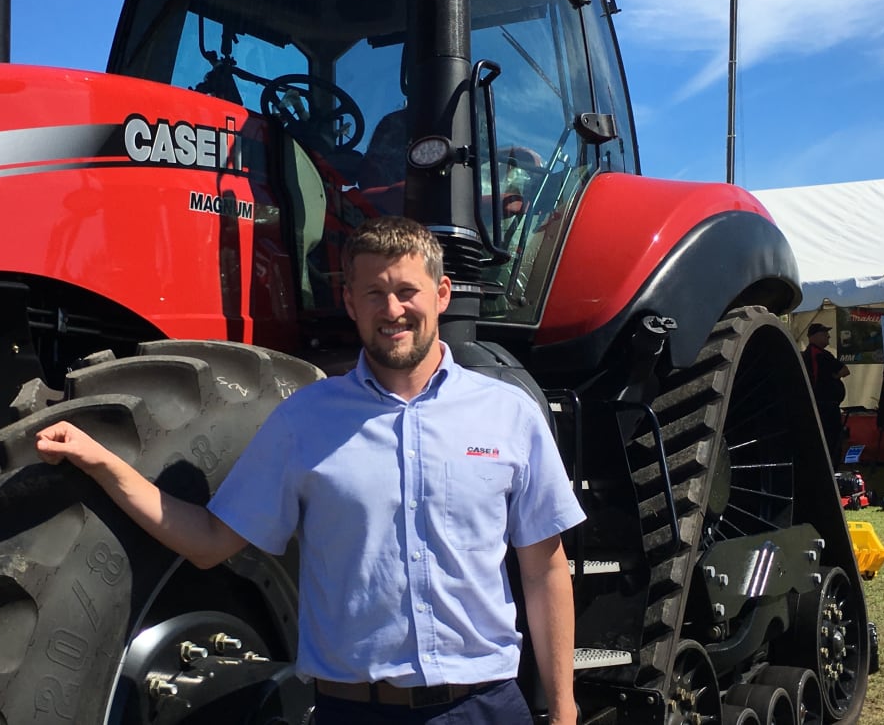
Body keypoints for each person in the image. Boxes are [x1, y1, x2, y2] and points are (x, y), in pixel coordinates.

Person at [36, 215, 585, 725]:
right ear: (350, 302)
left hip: (483, 707)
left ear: (441, 295)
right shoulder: (304, 419)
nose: (392, 309)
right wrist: (105, 462)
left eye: (407, 291)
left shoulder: (507, 414)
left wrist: (563, 711)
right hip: (355, 712)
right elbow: (208, 540)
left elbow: (543, 571)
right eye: (374, 293)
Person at [802, 322, 850, 464]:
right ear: (814, 336)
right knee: (831, 439)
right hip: (826, 406)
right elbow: (845, 370)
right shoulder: (820, 354)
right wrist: (835, 376)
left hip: (819, 405)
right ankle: (831, 464)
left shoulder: (808, 355)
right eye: (824, 334)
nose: (828, 336)